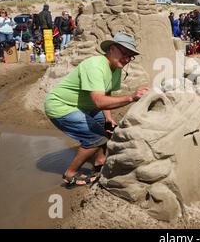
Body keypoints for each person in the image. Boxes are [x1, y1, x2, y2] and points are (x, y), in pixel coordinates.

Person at [45, 32, 149, 188]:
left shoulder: (116, 67)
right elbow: (100, 101)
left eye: (130, 56)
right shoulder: (95, 65)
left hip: (86, 105)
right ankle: (70, 174)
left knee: (107, 130)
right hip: (61, 105)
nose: (127, 59)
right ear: (112, 49)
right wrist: (131, 98)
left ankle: (100, 161)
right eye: (125, 53)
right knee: (94, 139)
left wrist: (108, 118)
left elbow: (107, 92)